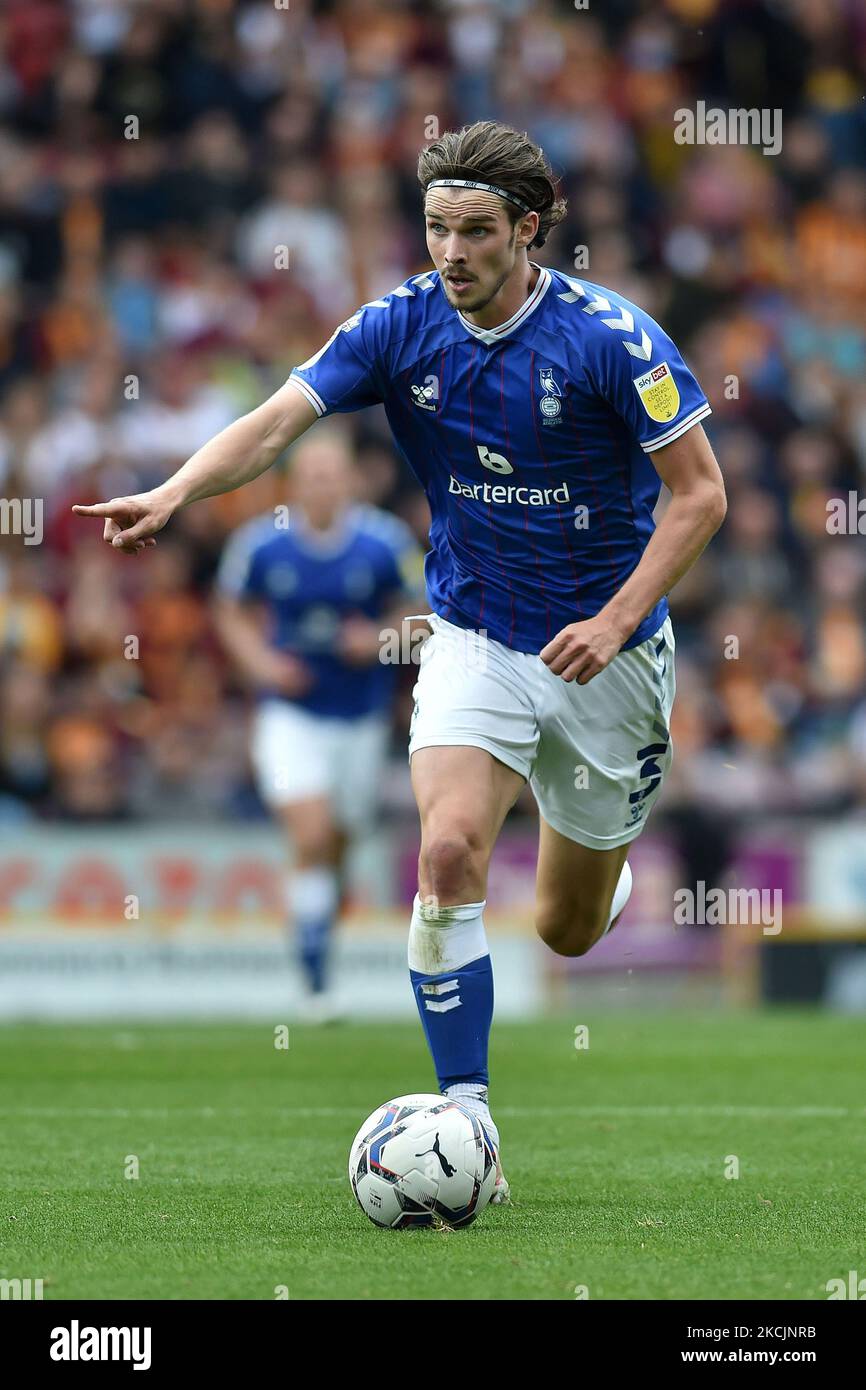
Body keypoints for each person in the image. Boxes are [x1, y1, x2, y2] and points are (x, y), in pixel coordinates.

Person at [73, 120, 727, 1204]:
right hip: (471, 636)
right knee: (447, 855)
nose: (451, 252)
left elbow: (699, 494)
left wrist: (615, 621)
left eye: (475, 231)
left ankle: (595, 887)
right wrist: (177, 488)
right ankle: (465, 1118)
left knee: (566, 929)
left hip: (603, 658)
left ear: (527, 230)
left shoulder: (613, 338)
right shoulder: (397, 326)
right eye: (435, 228)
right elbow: (280, 419)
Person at [214, 423, 421, 1021]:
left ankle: (319, 963)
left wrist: (379, 638)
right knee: (309, 836)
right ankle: (311, 981)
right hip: (291, 716)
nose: (321, 487)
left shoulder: (384, 542)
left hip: (359, 720)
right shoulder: (261, 544)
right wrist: (262, 664)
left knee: (334, 846)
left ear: (351, 481)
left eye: (331, 476)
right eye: (310, 476)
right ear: (293, 483)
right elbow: (229, 610)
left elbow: (428, 611)